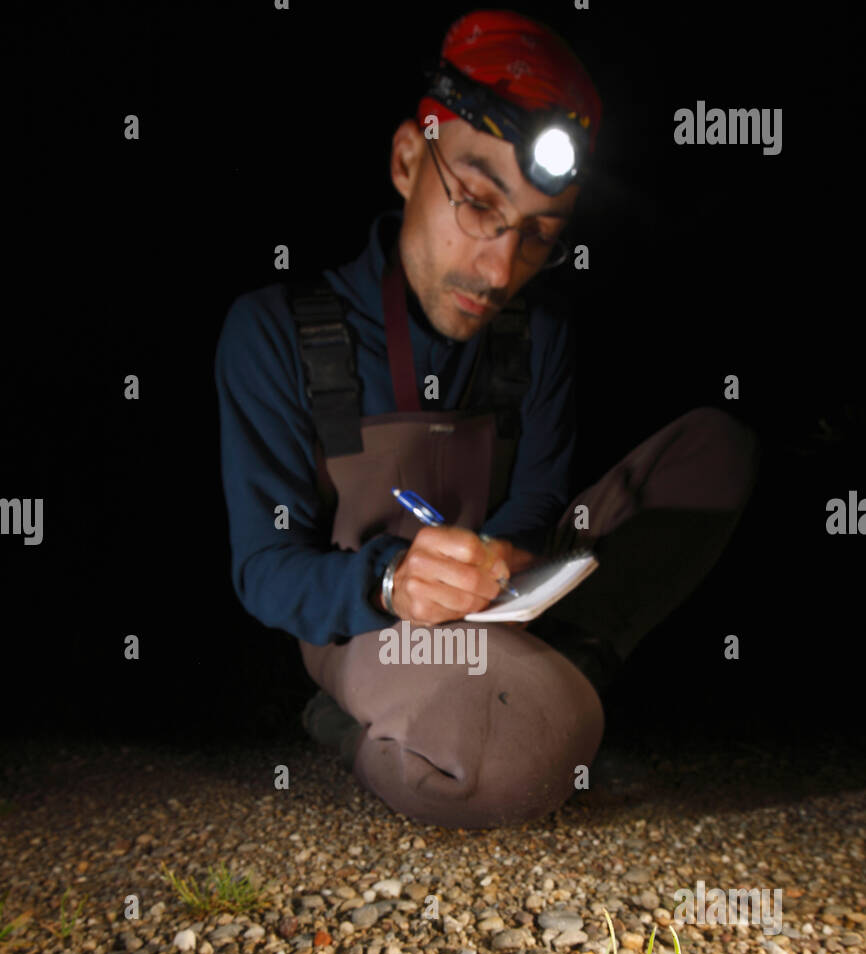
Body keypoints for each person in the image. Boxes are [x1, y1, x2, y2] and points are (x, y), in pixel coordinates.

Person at [216, 9, 758, 829]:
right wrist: (390, 579)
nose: (500, 268)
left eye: (539, 236)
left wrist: (506, 553)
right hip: (368, 621)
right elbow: (262, 567)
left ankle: (555, 668)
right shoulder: (271, 330)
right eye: (476, 202)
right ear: (407, 161)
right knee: (500, 770)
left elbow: (537, 503)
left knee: (716, 450)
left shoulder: (541, 336)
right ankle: (362, 720)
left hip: (501, 608)